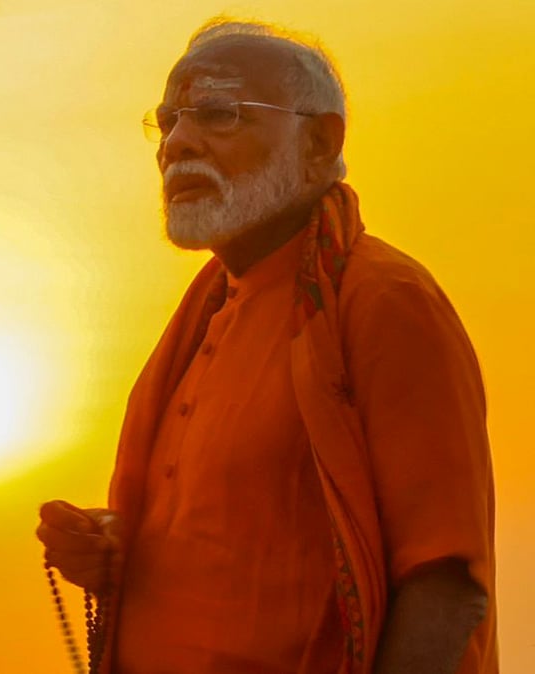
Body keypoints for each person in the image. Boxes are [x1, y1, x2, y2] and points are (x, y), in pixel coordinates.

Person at [36, 18, 497, 674]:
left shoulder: (385, 301)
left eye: (218, 114)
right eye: (167, 123)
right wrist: (114, 547)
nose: (178, 143)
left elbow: (446, 582)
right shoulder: (206, 315)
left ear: (319, 142)